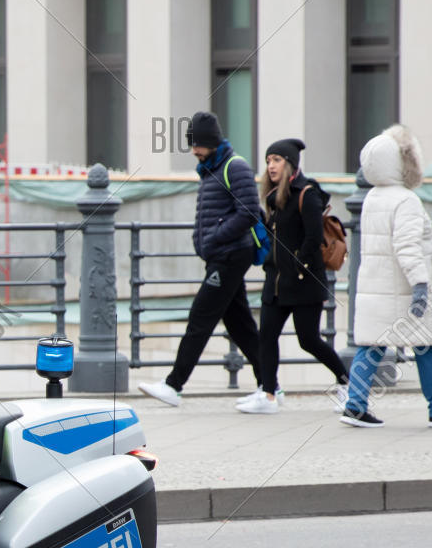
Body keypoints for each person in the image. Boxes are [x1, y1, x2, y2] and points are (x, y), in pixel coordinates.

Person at [342, 124, 432, 429]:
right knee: (427, 345)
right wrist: (420, 284)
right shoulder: (406, 200)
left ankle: (355, 405)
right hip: (403, 287)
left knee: (371, 345)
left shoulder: (373, 197)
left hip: (376, 286)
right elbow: (408, 247)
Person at [138, 111, 264, 407]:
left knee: (200, 316)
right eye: (191, 143)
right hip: (220, 255)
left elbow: (248, 212)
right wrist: (206, 243)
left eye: (198, 144)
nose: (194, 149)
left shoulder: (235, 167)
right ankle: (269, 385)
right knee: (240, 324)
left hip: (231, 255)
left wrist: (214, 238)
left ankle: (173, 385)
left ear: (212, 142)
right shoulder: (210, 170)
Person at [242, 138, 351, 415]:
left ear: (290, 164)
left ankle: (348, 384)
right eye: (268, 161)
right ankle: (268, 394)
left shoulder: (307, 194)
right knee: (266, 336)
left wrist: (297, 264)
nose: (271, 166)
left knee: (309, 340)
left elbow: (314, 237)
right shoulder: (273, 198)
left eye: (276, 160)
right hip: (276, 281)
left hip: (303, 282)